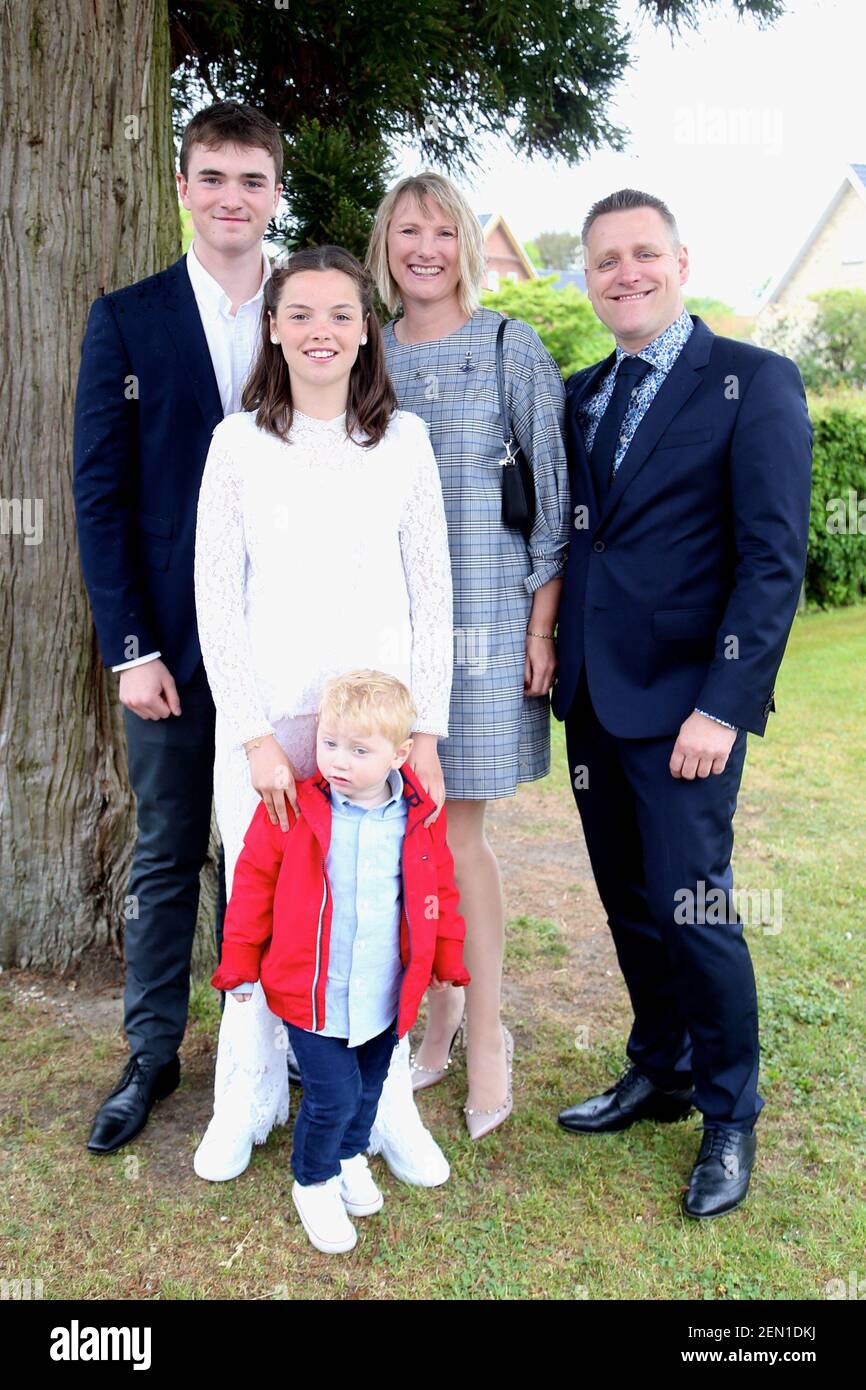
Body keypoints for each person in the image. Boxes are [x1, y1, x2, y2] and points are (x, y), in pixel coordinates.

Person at [552, 188, 812, 1219]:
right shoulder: (582, 391)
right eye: (604, 258)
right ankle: (656, 1069)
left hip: (686, 710)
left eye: (641, 253)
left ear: (679, 260)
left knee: (693, 907)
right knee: (627, 903)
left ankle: (729, 1111)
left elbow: (769, 561)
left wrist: (722, 704)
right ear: (586, 275)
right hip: (591, 699)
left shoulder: (753, 382)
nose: (624, 272)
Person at [192, 243, 457, 1188]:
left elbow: (435, 593)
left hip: (378, 739)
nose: (320, 331)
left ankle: (386, 1107)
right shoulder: (237, 444)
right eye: (300, 313)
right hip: (269, 730)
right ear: (272, 326)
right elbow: (216, 601)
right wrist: (255, 736)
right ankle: (248, 1096)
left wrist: (423, 736)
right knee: (264, 917)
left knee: (375, 924)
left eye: (341, 314)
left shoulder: (405, 442)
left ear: (365, 330)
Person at [73, 101, 284, 1154]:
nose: (232, 196)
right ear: (183, 186)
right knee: (167, 852)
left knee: (279, 850)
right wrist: (129, 647)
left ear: (273, 194)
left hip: (287, 642)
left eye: (251, 179)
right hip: (168, 650)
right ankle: (152, 1051)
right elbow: (99, 496)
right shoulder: (128, 316)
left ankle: (278, 1051)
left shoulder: (314, 310)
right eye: (213, 177)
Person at [367, 173, 570, 1138]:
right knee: (398, 841)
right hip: (380, 634)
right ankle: (434, 1010)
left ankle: (486, 1032)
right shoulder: (365, 353)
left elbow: (556, 498)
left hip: (485, 630)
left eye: (442, 230)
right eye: (407, 230)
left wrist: (541, 629)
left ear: (465, 247)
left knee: (455, 837)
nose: (425, 247)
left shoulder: (508, 346)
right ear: (385, 245)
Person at [213, 671, 470, 1253]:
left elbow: (441, 892)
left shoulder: (418, 817)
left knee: (370, 1086)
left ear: (400, 754)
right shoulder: (295, 812)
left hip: (384, 994)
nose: (339, 761)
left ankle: (352, 1154)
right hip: (314, 996)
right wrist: (240, 964)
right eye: (330, 743)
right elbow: (252, 885)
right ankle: (313, 1180)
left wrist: (447, 955)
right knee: (329, 1096)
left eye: (360, 750)